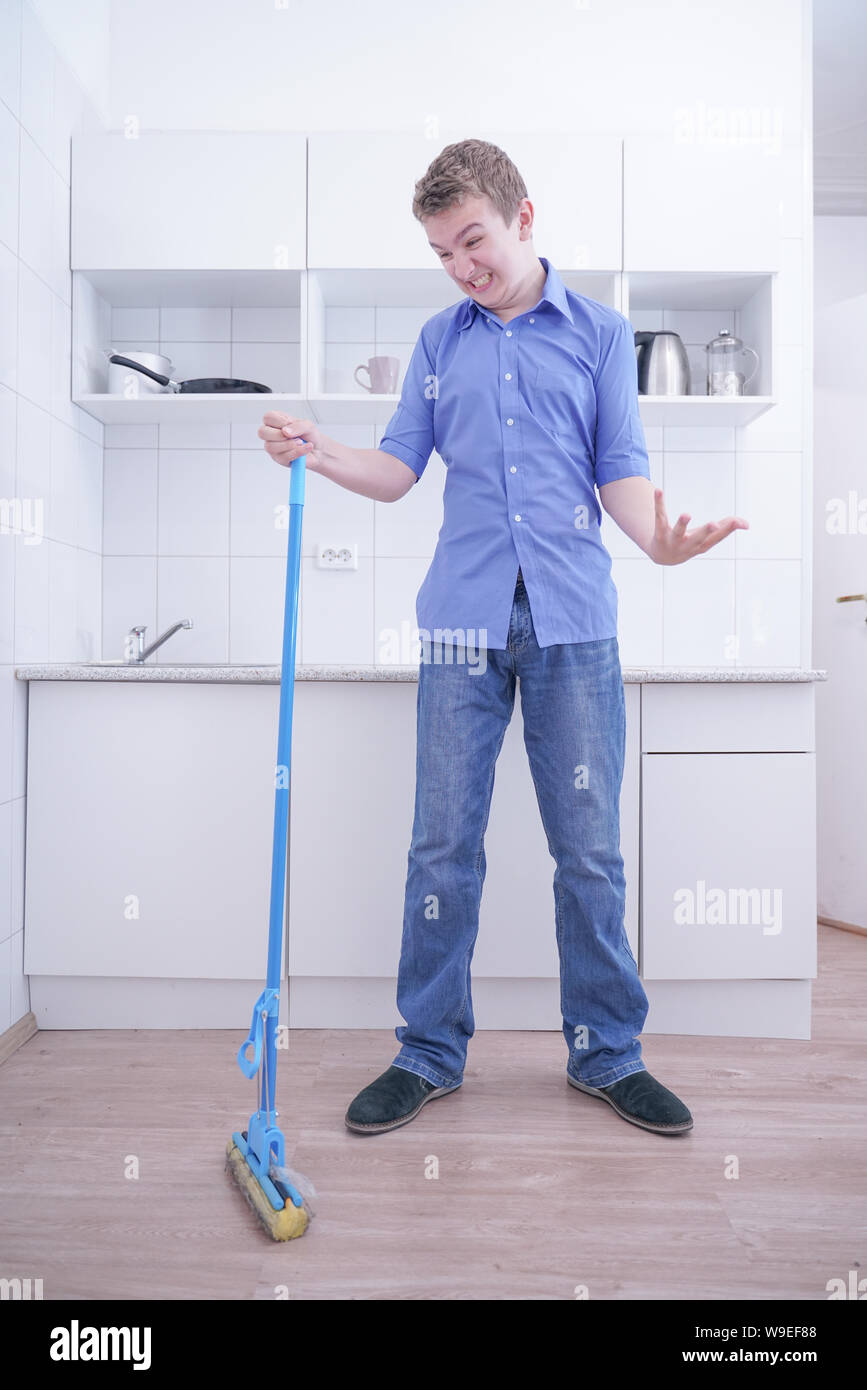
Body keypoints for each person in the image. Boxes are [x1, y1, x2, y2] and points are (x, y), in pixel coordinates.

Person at [259, 139, 748, 1140]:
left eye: (472, 241)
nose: (462, 267)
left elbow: (622, 474)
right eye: (443, 253)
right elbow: (399, 467)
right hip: (458, 628)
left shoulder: (602, 335)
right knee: (441, 848)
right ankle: (428, 1051)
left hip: (574, 623)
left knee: (591, 852)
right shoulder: (442, 343)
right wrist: (319, 446)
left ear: (525, 218)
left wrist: (662, 544)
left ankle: (608, 1053)